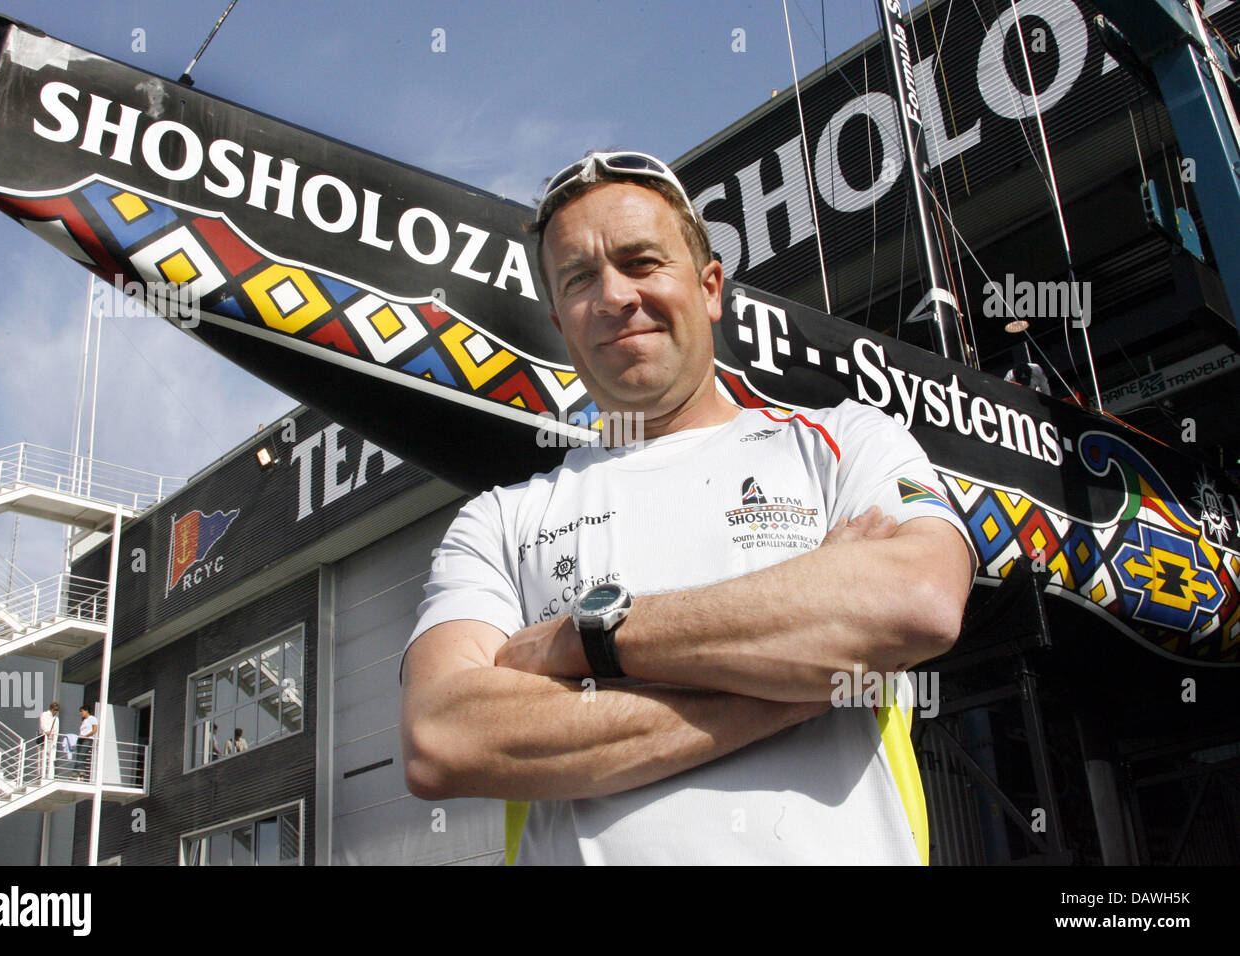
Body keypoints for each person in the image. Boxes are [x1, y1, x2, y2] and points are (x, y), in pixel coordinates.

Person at [400, 151, 977, 865]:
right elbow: (442, 738)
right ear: (559, 319)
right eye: (580, 278)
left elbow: (916, 601)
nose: (614, 296)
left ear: (709, 288)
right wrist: (785, 689)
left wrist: (584, 642)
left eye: (642, 262)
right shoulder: (499, 520)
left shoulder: (843, 442)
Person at [37, 702, 60, 780]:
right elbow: (42, 724)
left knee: (51, 758)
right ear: (51, 709)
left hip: (51, 739)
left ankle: (50, 776)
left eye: (57, 710)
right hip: (44, 738)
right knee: (42, 757)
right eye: (55, 710)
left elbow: (56, 731)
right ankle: (40, 775)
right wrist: (46, 731)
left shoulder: (56, 719)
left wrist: (55, 742)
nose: (56, 711)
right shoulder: (44, 714)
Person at [75, 705, 97, 780]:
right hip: (81, 739)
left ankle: (79, 774)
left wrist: (86, 736)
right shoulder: (84, 720)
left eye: (82, 711)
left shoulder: (93, 718)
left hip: (87, 739)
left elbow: (94, 730)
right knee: (79, 756)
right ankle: (79, 773)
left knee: (82, 755)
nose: (81, 713)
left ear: (86, 710)